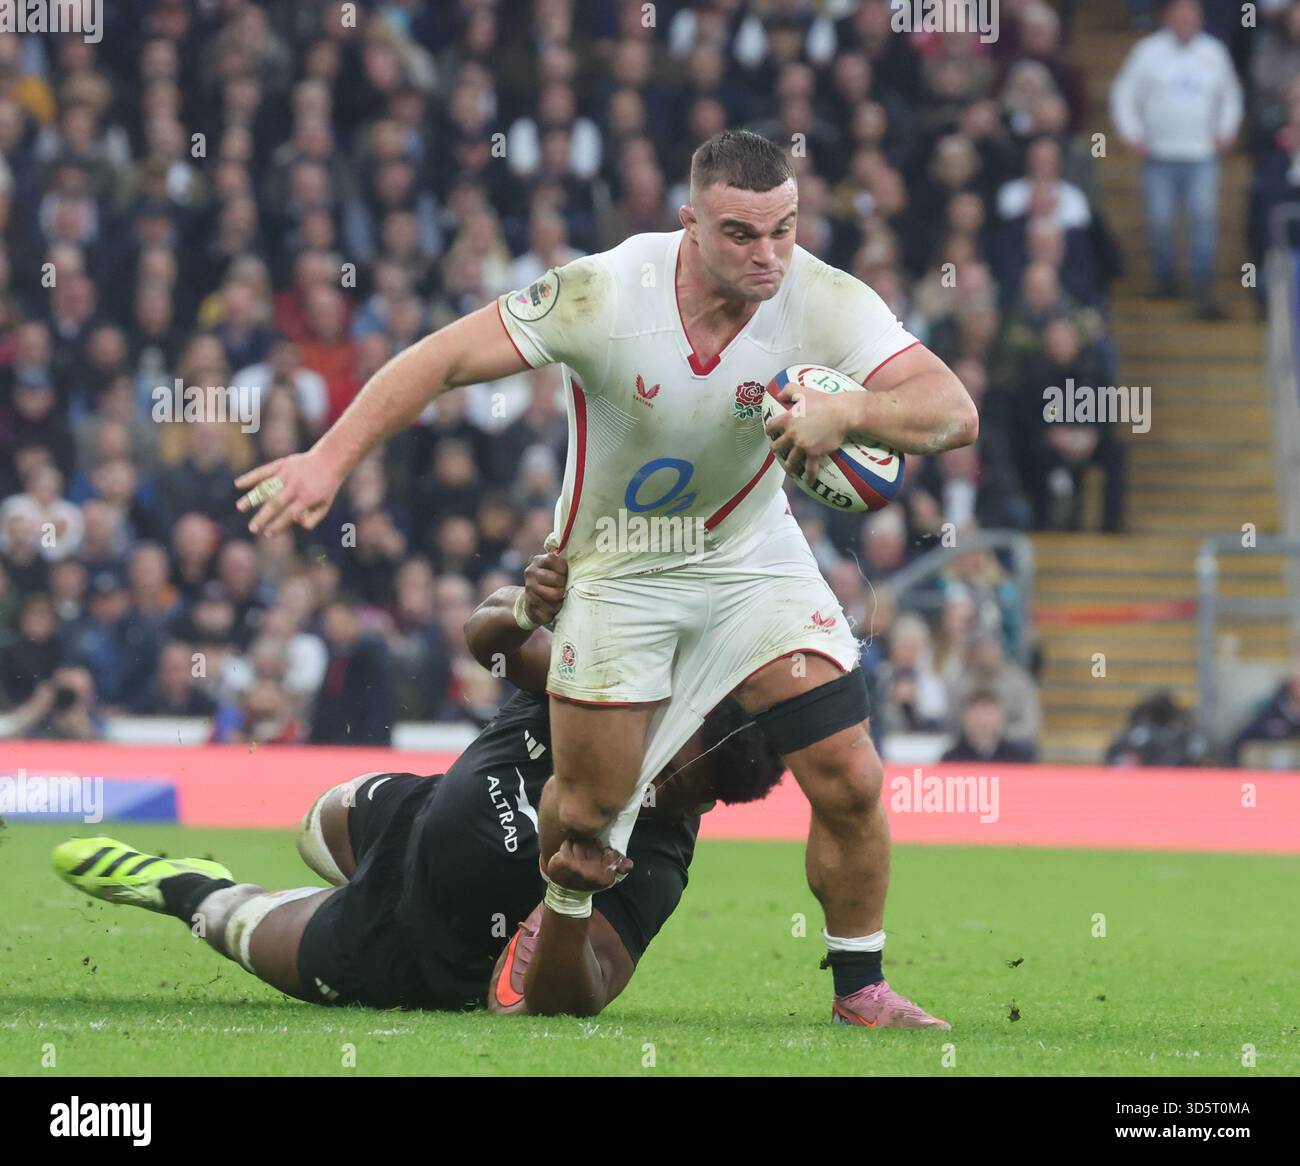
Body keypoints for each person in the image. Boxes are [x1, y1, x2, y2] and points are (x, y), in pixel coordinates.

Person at [235, 130, 976, 1028]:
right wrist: (327, 459)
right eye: (742, 233)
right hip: (619, 566)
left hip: (750, 555)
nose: (769, 254)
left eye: (784, 228)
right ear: (688, 224)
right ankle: (508, 884)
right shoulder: (603, 292)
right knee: (586, 817)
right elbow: (444, 359)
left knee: (850, 775)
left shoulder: (819, 296)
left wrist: (850, 410)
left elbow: (951, 410)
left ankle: (861, 989)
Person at [53, 553, 786, 1017]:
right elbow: (485, 640)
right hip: (410, 811)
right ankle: (330, 871)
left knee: (227, 922)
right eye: (681, 768)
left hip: (404, 948)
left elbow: (570, 1000)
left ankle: (189, 883)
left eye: (701, 798)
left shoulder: (656, 859)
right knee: (312, 823)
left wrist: (569, 896)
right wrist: (526, 605)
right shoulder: (605, 689)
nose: (672, 795)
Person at [1109, 0, 1243, 318]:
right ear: (1168, 17)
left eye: (1191, 15)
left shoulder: (1214, 52)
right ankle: (1165, 281)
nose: (1185, 20)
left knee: (1202, 220)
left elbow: (1231, 96)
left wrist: (1225, 129)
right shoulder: (1147, 51)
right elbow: (1123, 93)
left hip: (1202, 156)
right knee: (1159, 222)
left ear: (1199, 18)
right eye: (1179, 15)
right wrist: (1132, 132)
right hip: (1159, 156)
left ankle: (1201, 286)